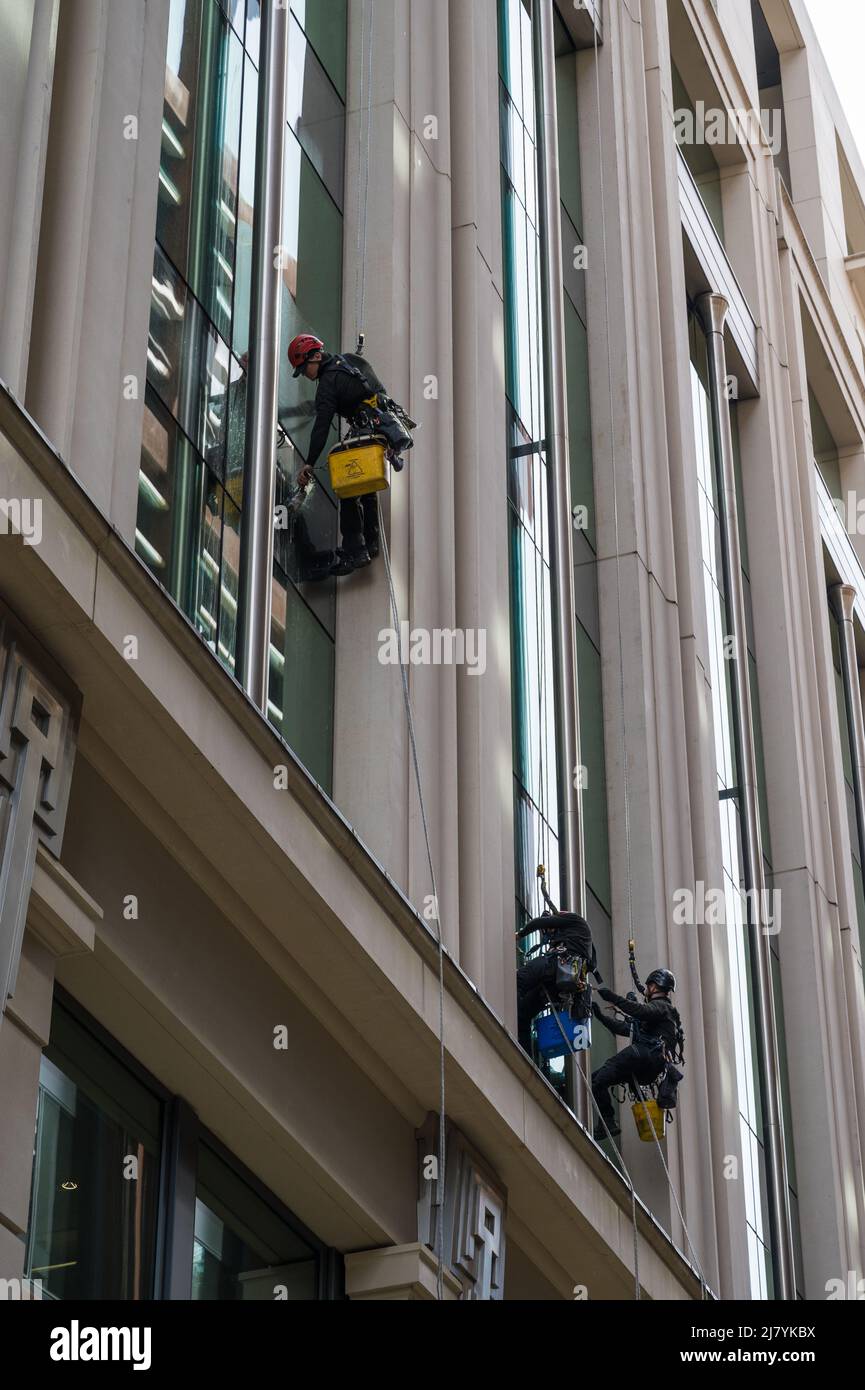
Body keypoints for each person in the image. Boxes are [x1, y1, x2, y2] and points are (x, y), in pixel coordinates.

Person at [288, 334, 414, 576]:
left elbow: (322, 426)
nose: (305, 373)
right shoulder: (351, 361)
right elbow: (379, 389)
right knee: (365, 486)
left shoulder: (328, 382)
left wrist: (309, 463)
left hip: (366, 427)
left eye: (304, 368)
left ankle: (355, 550)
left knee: (349, 486)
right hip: (381, 427)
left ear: (315, 356)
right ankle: (371, 542)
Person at [590, 968, 680, 1142]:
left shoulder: (661, 1007)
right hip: (647, 1063)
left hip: (646, 1055)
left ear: (653, 987)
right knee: (597, 1079)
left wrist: (610, 996)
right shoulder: (658, 1014)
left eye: (648, 986)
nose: (646, 989)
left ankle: (608, 1120)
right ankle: (607, 1122)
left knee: (605, 1071)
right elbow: (626, 1029)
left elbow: (638, 1010)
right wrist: (600, 1016)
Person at [516, 911, 596, 1054]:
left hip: (556, 967)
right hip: (557, 987)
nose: (548, 933)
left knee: (517, 980)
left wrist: (519, 935)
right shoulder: (578, 937)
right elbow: (592, 965)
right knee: (523, 1013)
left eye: (549, 929)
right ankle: (523, 1055)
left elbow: (540, 922)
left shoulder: (573, 919)